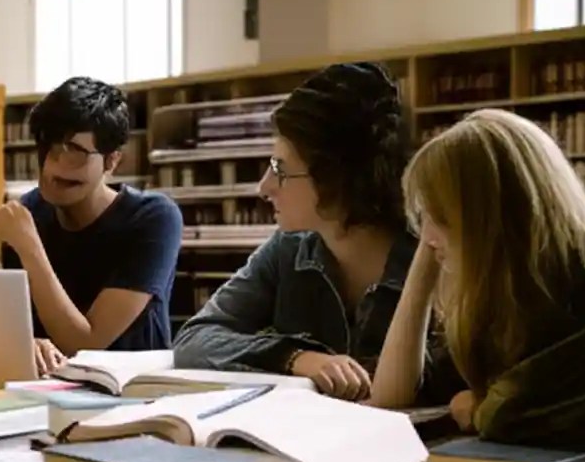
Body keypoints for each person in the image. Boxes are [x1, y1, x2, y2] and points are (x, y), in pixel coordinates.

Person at [370, 109, 585, 449]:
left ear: (492, 220)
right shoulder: (500, 292)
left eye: (440, 216)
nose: (425, 235)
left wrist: (485, 410)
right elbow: (392, 397)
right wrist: (425, 264)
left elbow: (535, 410)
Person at [172, 62, 419, 402]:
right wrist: (295, 357)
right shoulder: (287, 249)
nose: (264, 187)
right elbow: (194, 339)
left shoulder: (434, 254)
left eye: (281, 170)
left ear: (337, 179)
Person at [0, 76, 182, 371]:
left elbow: (84, 343)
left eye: (75, 153)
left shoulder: (152, 218)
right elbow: (17, 326)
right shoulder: (28, 212)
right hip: (48, 389)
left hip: (131, 394)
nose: (54, 167)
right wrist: (29, 342)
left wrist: (29, 247)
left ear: (111, 161)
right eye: (49, 148)